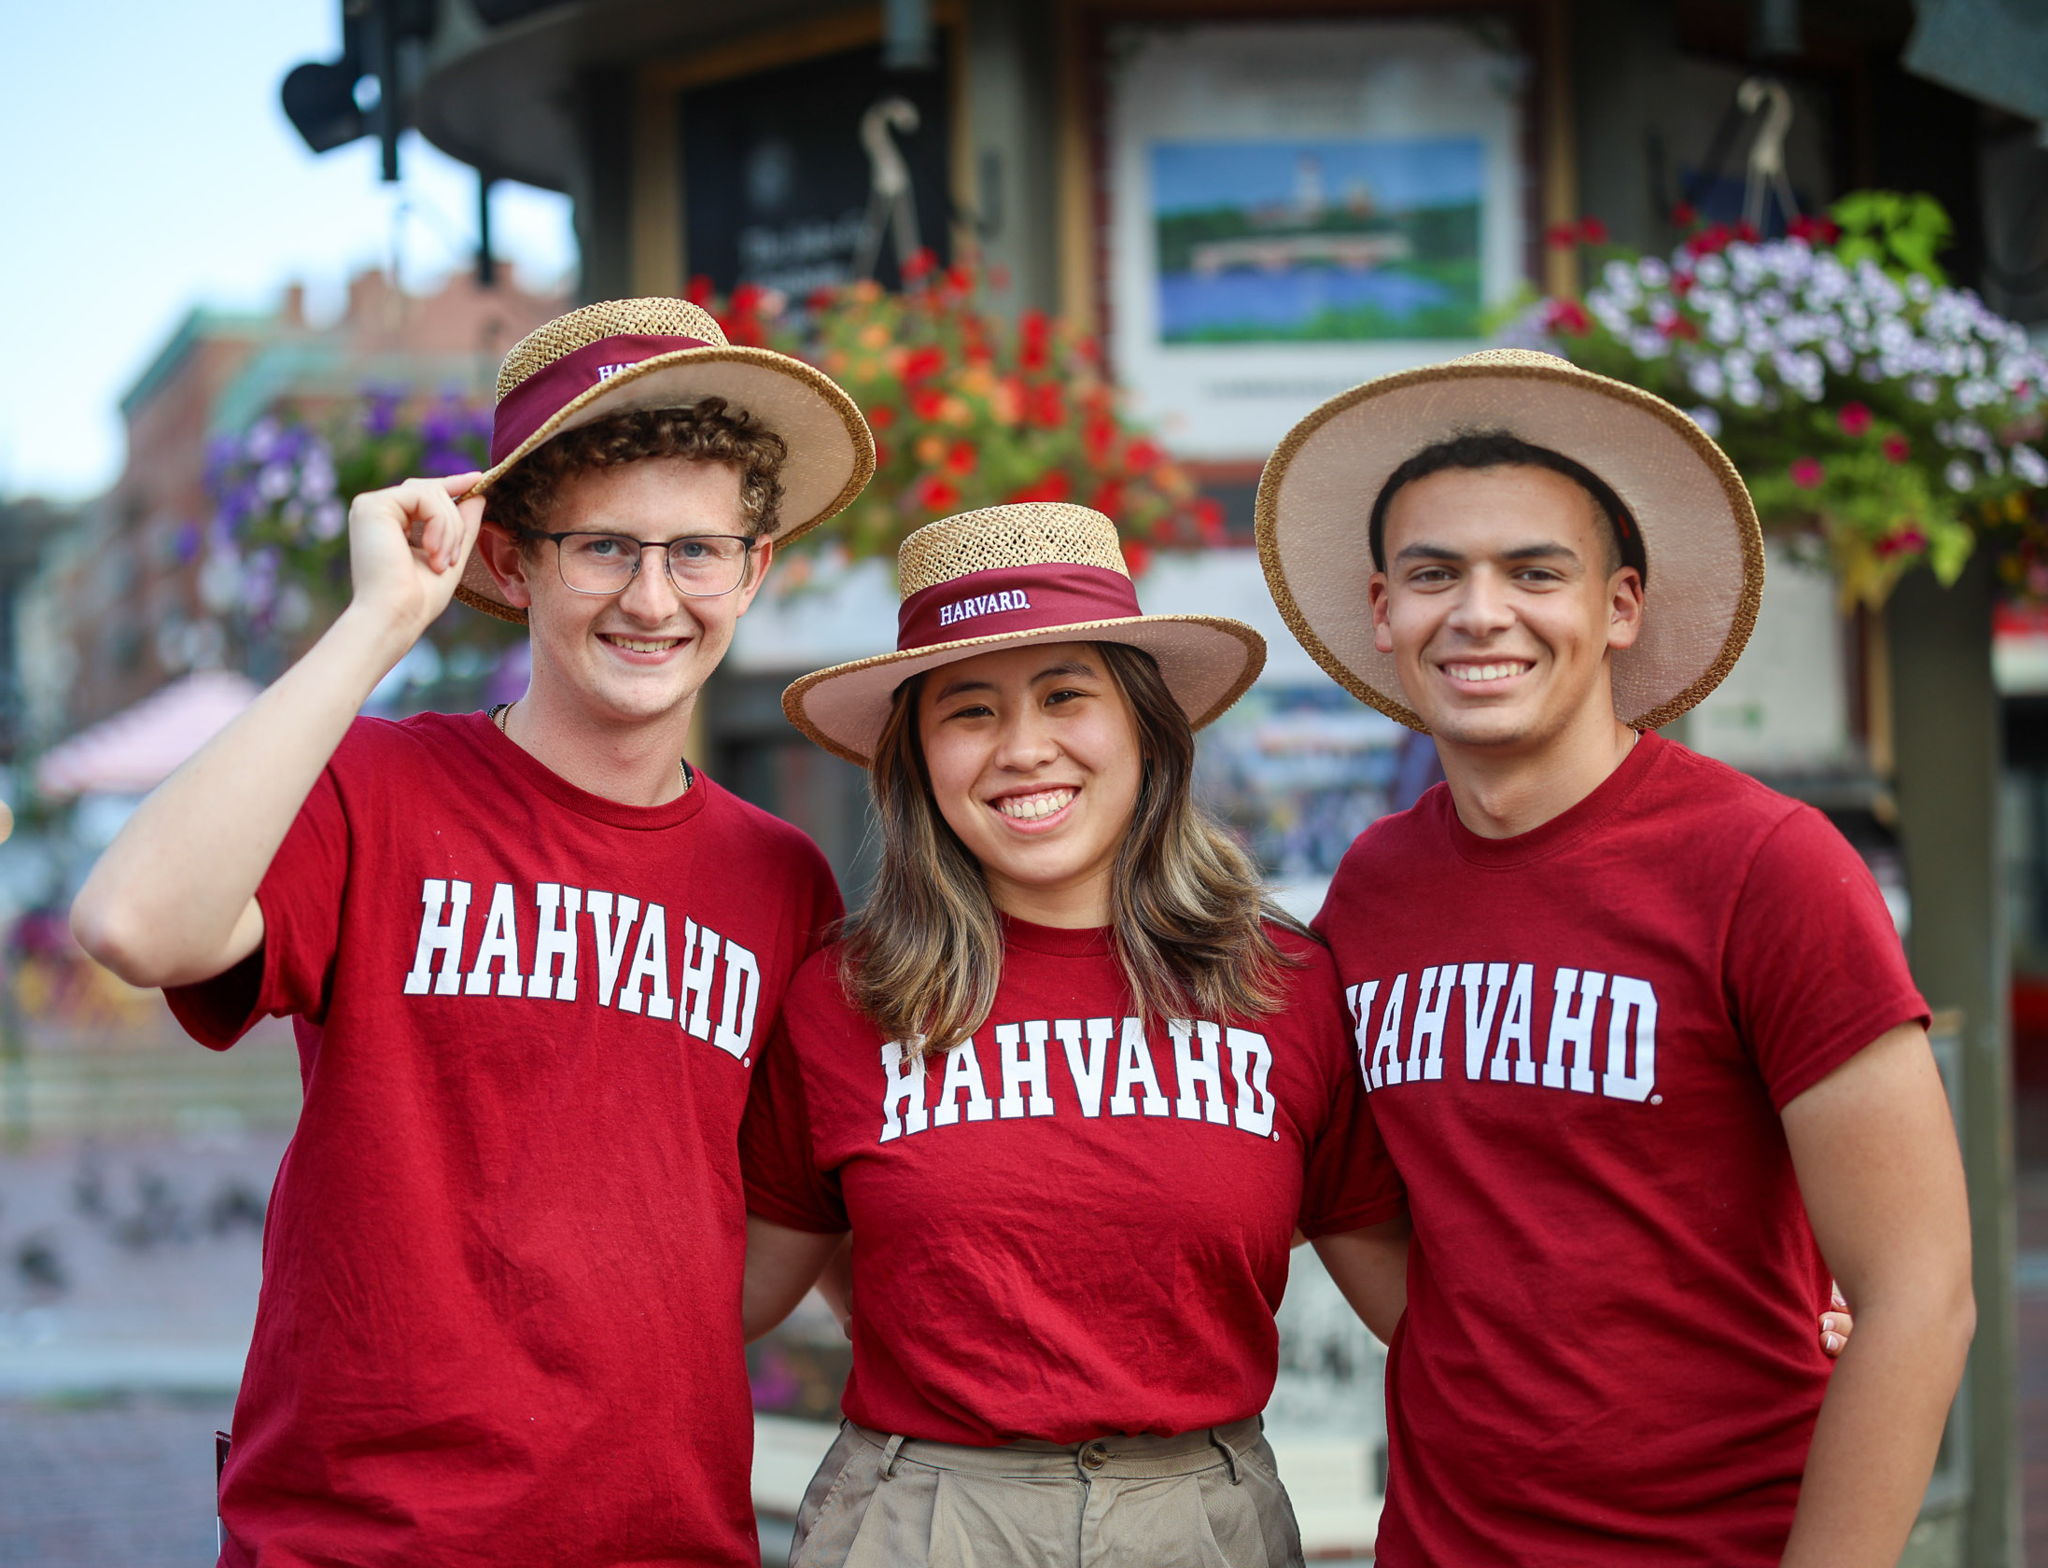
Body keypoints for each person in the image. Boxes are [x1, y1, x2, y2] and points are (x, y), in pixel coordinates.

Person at [68, 298, 874, 1568]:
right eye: (602, 546)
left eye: (697, 552)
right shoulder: (375, 789)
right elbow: (132, 920)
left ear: (752, 569)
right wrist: (379, 622)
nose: (653, 598)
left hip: (661, 1536)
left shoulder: (781, 879)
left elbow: (784, 1219)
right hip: (361, 1538)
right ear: (509, 563)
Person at [1255, 347, 1974, 1567]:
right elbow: (1355, 1200)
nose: (1478, 612)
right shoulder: (1372, 889)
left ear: (1618, 604)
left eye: (1532, 571)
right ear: (1383, 611)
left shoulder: (1766, 866)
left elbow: (1920, 1292)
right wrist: (1491, 1356)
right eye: (1434, 574)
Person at [740, 502, 1412, 1566]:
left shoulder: (1283, 986)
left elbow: (1423, 1315)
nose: (1022, 748)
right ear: (916, 756)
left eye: (1065, 694)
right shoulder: (843, 995)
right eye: (968, 710)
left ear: (1145, 726)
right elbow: (733, 1286)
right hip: (922, 1521)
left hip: (1203, 1518)